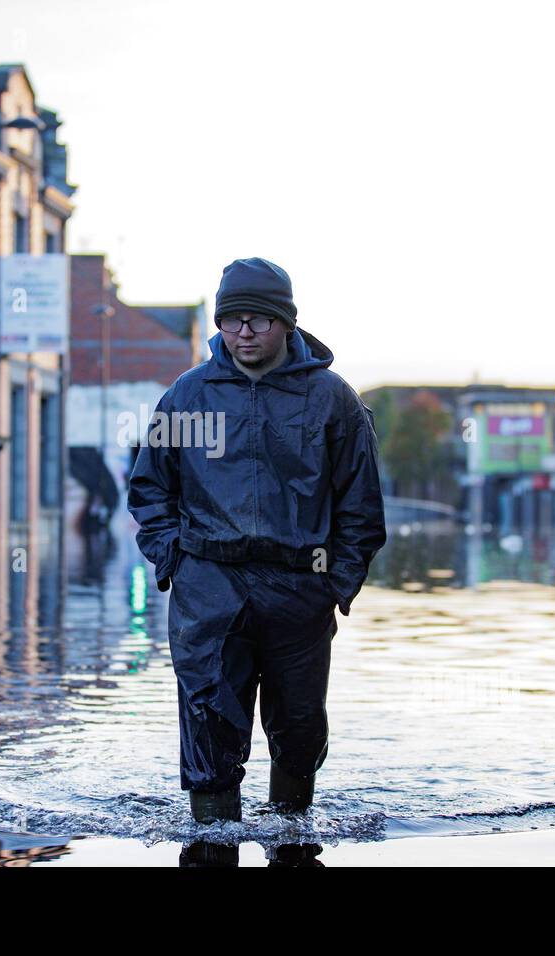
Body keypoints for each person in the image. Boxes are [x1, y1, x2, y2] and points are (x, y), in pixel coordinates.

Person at [127, 256, 388, 824]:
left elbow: (361, 504)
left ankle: (292, 836)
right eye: (233, 320)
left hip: (300, 588)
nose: (244, 332)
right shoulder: (187, 397)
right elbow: (150, 488)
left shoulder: (330, 400)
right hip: (209, 591)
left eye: (259, 320)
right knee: (209, 727)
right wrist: (175, 561)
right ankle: (212, 832)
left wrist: (337, 582)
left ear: (286, 324)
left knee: (298, 728)